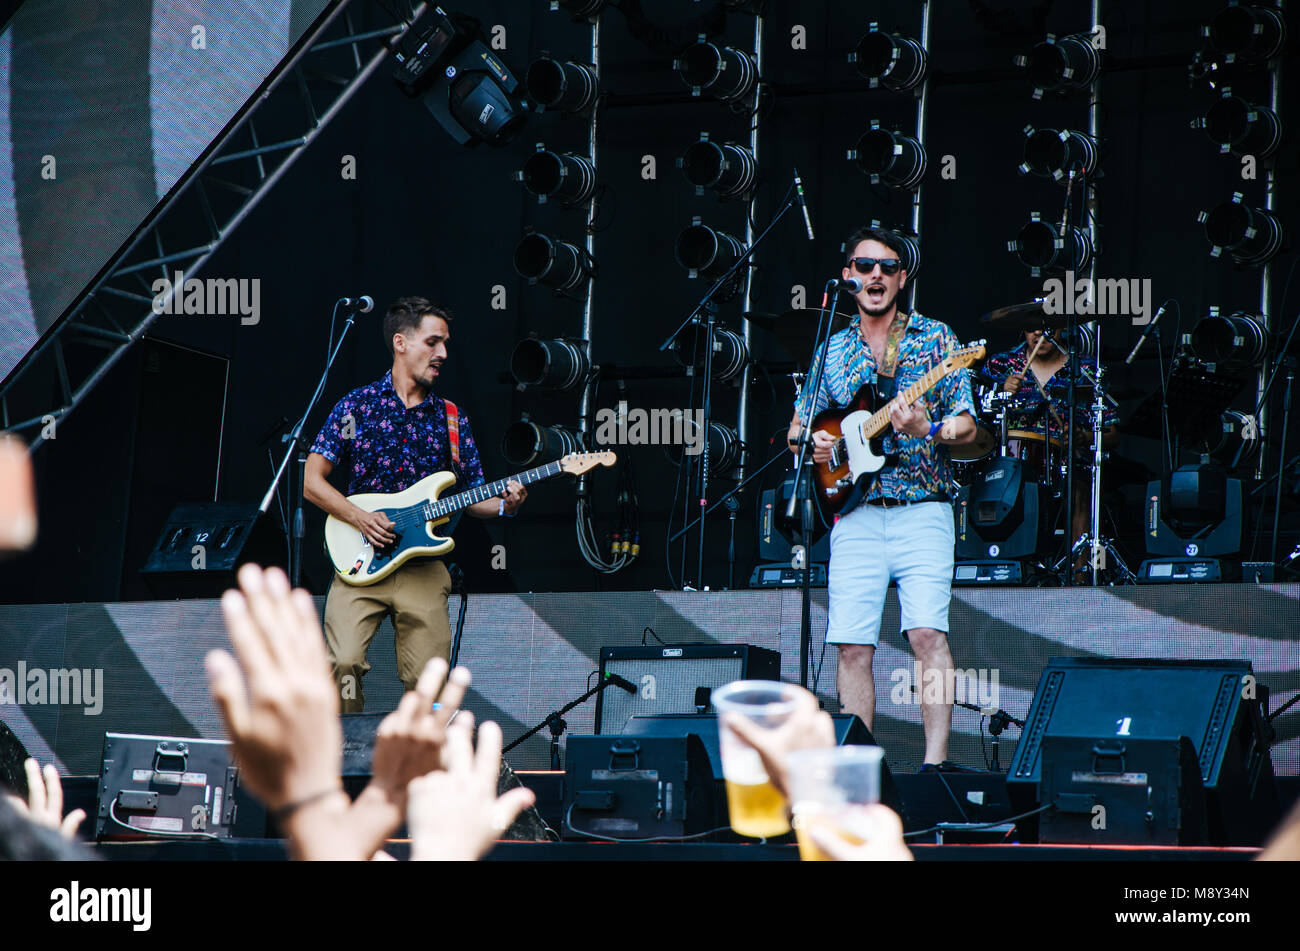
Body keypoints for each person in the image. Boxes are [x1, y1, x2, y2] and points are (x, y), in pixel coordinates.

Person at [788, 226, 977, 770]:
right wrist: (817, 441)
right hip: (855, 511)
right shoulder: (834, 346)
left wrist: (928, 430)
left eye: (888, 266)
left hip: (923, 506)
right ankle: (859, 771)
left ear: (902, 277)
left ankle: (934, 768)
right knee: (851, 645)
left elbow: (966, 427)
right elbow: (796, 429)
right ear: (847, 274)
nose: (876, 275)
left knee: (925, 635)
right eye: (865, 265)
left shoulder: (936, 339)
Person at [305, 297, 526, 712]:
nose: (443, 353)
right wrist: (361, 518)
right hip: (360, 560)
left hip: (423, 567)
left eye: (445, 344)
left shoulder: (451, 417)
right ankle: (346, 764)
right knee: (343, 663)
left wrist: (505, 506)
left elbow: (473, 495)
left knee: (431, 681)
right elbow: (312, 482)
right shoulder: (357, 405)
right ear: (401, 342)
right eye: (433, 342)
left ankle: (419, 765)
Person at [984, 327, 1119, 549]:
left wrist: (1083, 437)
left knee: (1080, 493)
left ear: (1061, 328)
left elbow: (1113, 435)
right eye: (1030, 328)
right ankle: (1013, 573)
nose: (1038, 333)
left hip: (1066, 461)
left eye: (1046, 327)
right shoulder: (1000, 365)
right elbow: (975, 421)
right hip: (1012, 462)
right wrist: (1000, 390)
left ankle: (1080, 578)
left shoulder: (1085, 369)